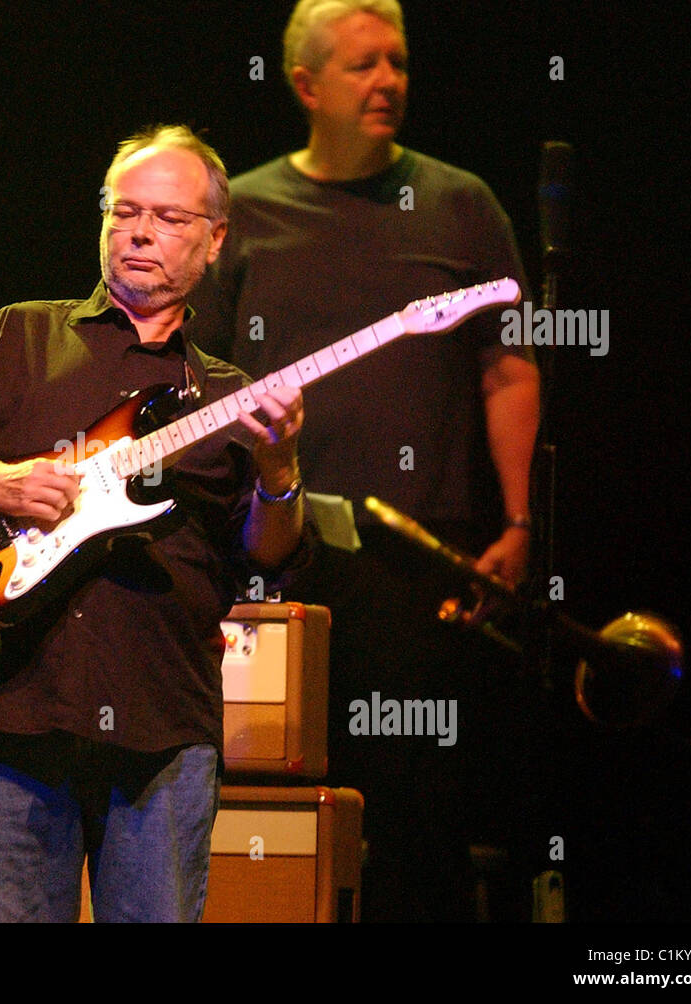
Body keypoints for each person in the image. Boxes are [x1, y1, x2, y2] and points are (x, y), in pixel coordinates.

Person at [0, 126, 313, 922]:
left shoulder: (229, 394)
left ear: (215, 241)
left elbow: (267, 562)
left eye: (169, 218)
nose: (140, 231)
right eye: (124, 211)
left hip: (163, 725)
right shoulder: (19, 334)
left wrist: (281, 472)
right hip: (9, 713)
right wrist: (0, 482)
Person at [186, 0, 542, 920]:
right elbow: (200, 386)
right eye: (363, 66)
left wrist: (516, 520)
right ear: (305, 85)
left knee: (417, 793)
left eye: (399, 61)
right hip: (276, 548)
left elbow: (507, 366)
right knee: (262, 783)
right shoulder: (248, 210)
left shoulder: (461, 204)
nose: (388, 81)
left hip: (418, 554)